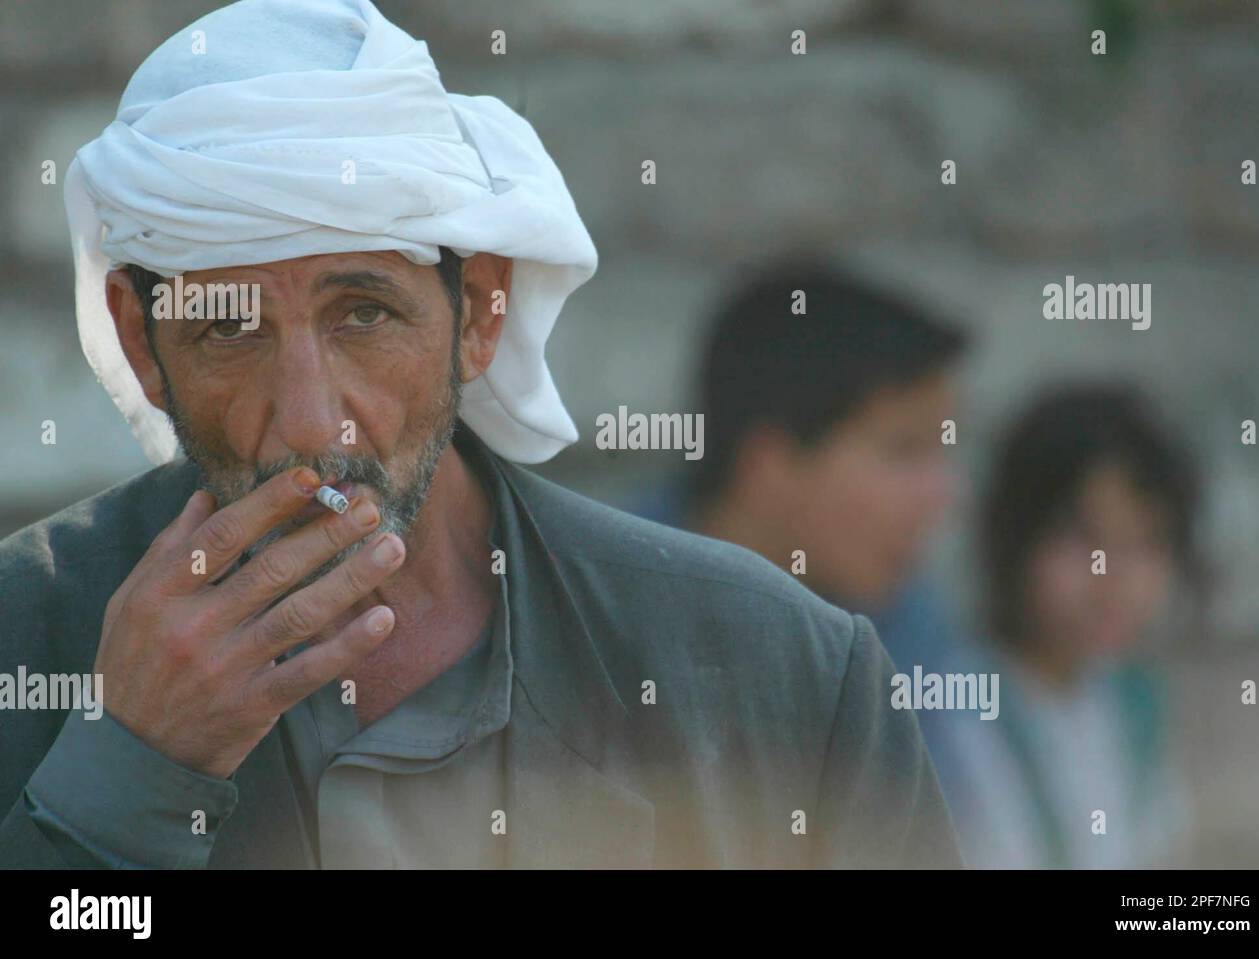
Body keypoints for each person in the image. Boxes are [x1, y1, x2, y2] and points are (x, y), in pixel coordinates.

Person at [0, 0, 960, 869]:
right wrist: (126, 775)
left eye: (364, 315)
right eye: (229, 330)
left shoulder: (779, 671)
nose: (309, 421)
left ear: (482, 313)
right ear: (142, 340)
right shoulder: (22, 636)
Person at [640, 265, 970, 731]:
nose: (942, 494)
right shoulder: (598, 615)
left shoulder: (905, 627)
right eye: (903, 451)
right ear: (770, 467)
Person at [934, 384, 1200, 868]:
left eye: (1147, 541)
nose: (1114, 575)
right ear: (1015, 538)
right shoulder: (955, 711)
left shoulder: (1134, 704)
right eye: (1084, 537)